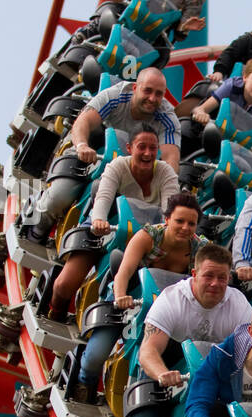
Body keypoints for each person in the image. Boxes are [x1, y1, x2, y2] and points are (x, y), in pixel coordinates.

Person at [110, 244, 252, 417]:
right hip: (168, 366)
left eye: (222, 278)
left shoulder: (237, 304)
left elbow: (251, 353)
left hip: (209, 374)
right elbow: (148, 351)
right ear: (195, 274)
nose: (216, 284)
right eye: (208, 276)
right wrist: (163, 374)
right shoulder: (172, 299)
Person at [73, 191, 202, 402]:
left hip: (164, 311)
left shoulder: (200, 248)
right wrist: (121, 296)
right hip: (131, 298)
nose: (186, 228)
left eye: (191, 224)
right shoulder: (149, 236)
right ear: (167, 219)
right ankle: (84, 382)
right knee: (96, 356)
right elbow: (124, 271)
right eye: (180, 221)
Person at [43, 127, 179, 323]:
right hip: (108, 224)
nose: (148, 153)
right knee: (64, 284)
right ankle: (56, 314)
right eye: (142, 147)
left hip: (145, 235)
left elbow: (169, 212)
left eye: (153, 148)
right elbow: (104, 197)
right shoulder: (118, 165)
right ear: (130, 148)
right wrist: (99, 220)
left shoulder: (165, 172)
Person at [69, 68, 181, 171]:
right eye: (148, 90)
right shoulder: (115, 96)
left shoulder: (168, 118)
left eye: (158, 94)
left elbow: (170, 158)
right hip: (97, 148)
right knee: (60, 191)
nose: (152, 98)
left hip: (133, 169)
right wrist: (82, 145)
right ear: (135, 88)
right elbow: (84, 120)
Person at [190, 57, 252, 157]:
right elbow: (201, 109)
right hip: (213, 133)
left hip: (239, 145)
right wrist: (202, 114)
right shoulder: (232, 86)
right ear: (245, 77)